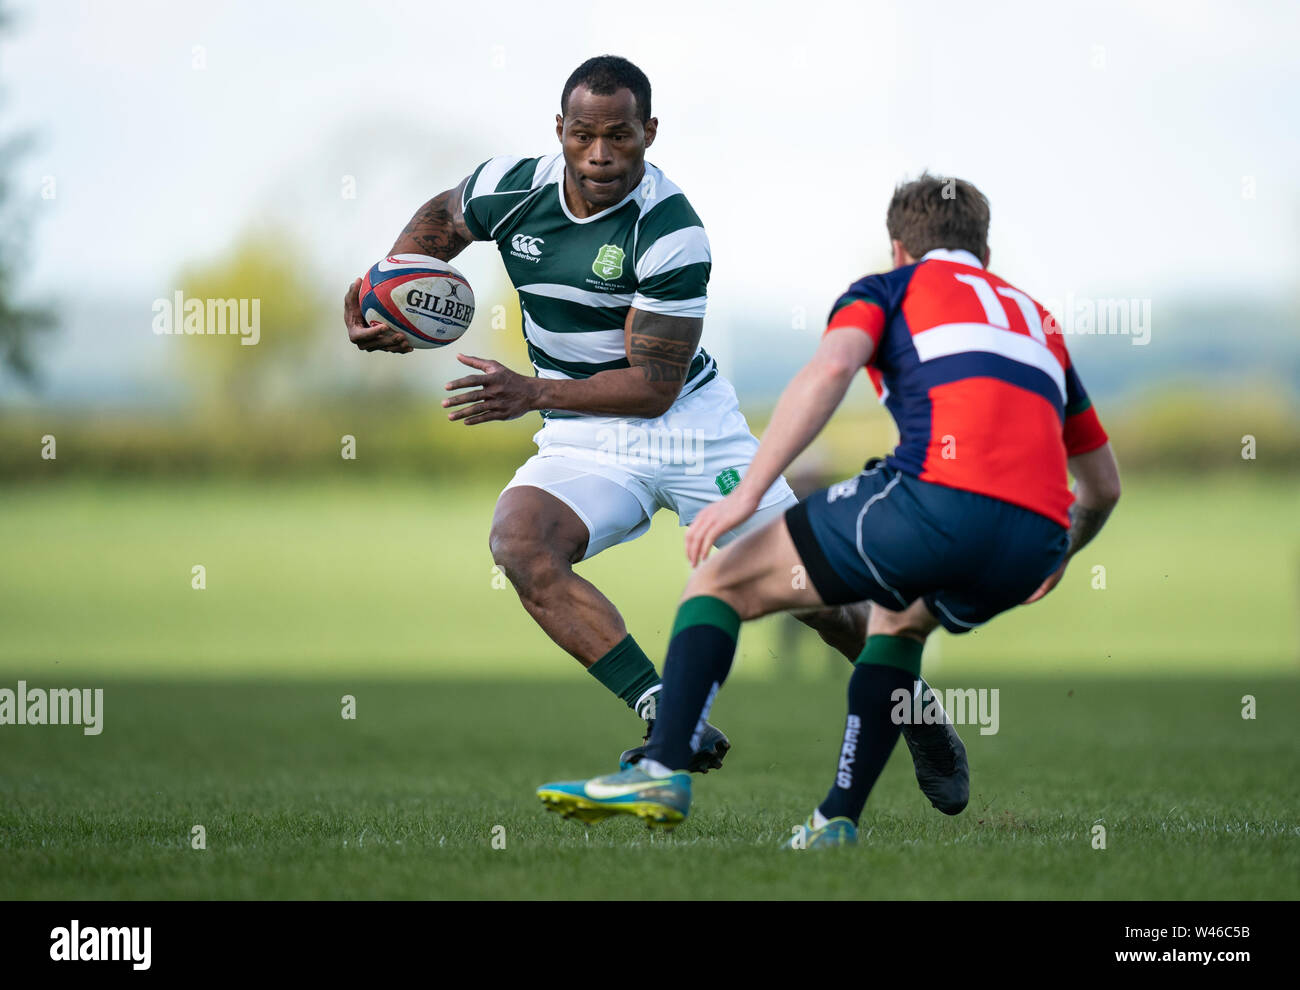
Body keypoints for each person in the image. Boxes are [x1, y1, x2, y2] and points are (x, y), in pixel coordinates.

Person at [345, 56, 966, 793]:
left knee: (817, 598)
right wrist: (386, 290)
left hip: (688, 427)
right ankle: (669, 710)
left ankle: (917, 711)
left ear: (650, 133)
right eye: (583, 136)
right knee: (520, 542)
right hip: (583, 430)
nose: (600, 155)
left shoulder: (672, 232)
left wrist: (532, 392)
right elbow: (446, 218)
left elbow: (652, 388)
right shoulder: (508, 189)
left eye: (620, 136)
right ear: (560, 132)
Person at [536, 173, 1121, 847]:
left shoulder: (886, 289)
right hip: (1039, 538)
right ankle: (834, 819)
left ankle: (662, 769)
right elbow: (1102, 488)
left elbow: (829, 372)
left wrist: (749, 492)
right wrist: (1059, 554)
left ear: (898, 247)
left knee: (719, 584)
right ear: (983, 253)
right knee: (898, 624)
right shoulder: (1037, 320)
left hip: (937, 502)